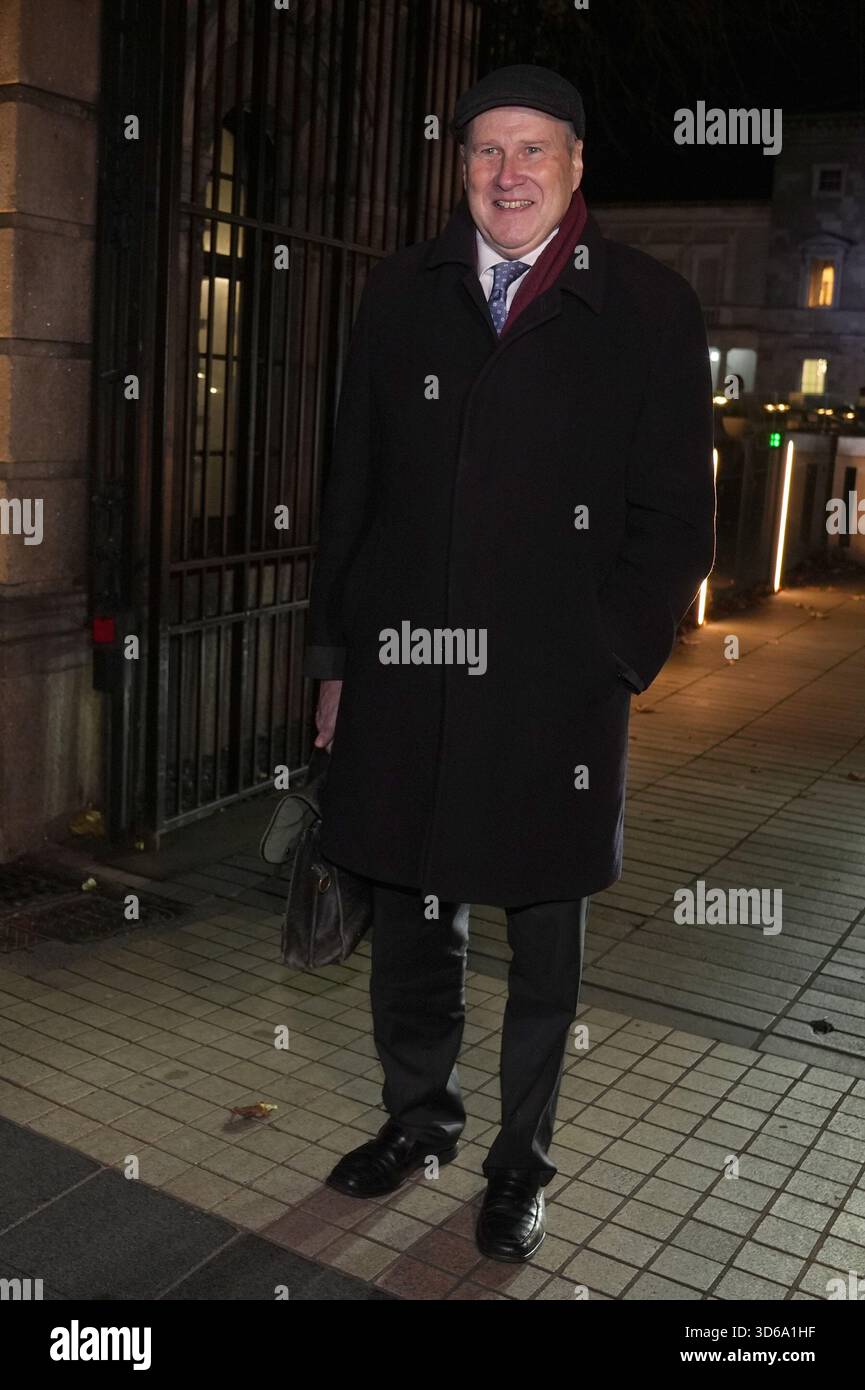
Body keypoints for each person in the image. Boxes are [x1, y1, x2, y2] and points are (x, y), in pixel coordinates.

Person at [303, 64, 716, 1262]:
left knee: (544, 937)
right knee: (411, 914)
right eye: (486, 150)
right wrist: (335, 657)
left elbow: (674, 517)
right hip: (402, 676)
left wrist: (612, 657)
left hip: (552, 693)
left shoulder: (645, 306)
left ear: (576, 165)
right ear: (462, 167)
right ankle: (418, 1120)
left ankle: (518, 1162)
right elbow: (352, 492)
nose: (508, 173)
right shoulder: (400, 291)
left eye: (533, 149)